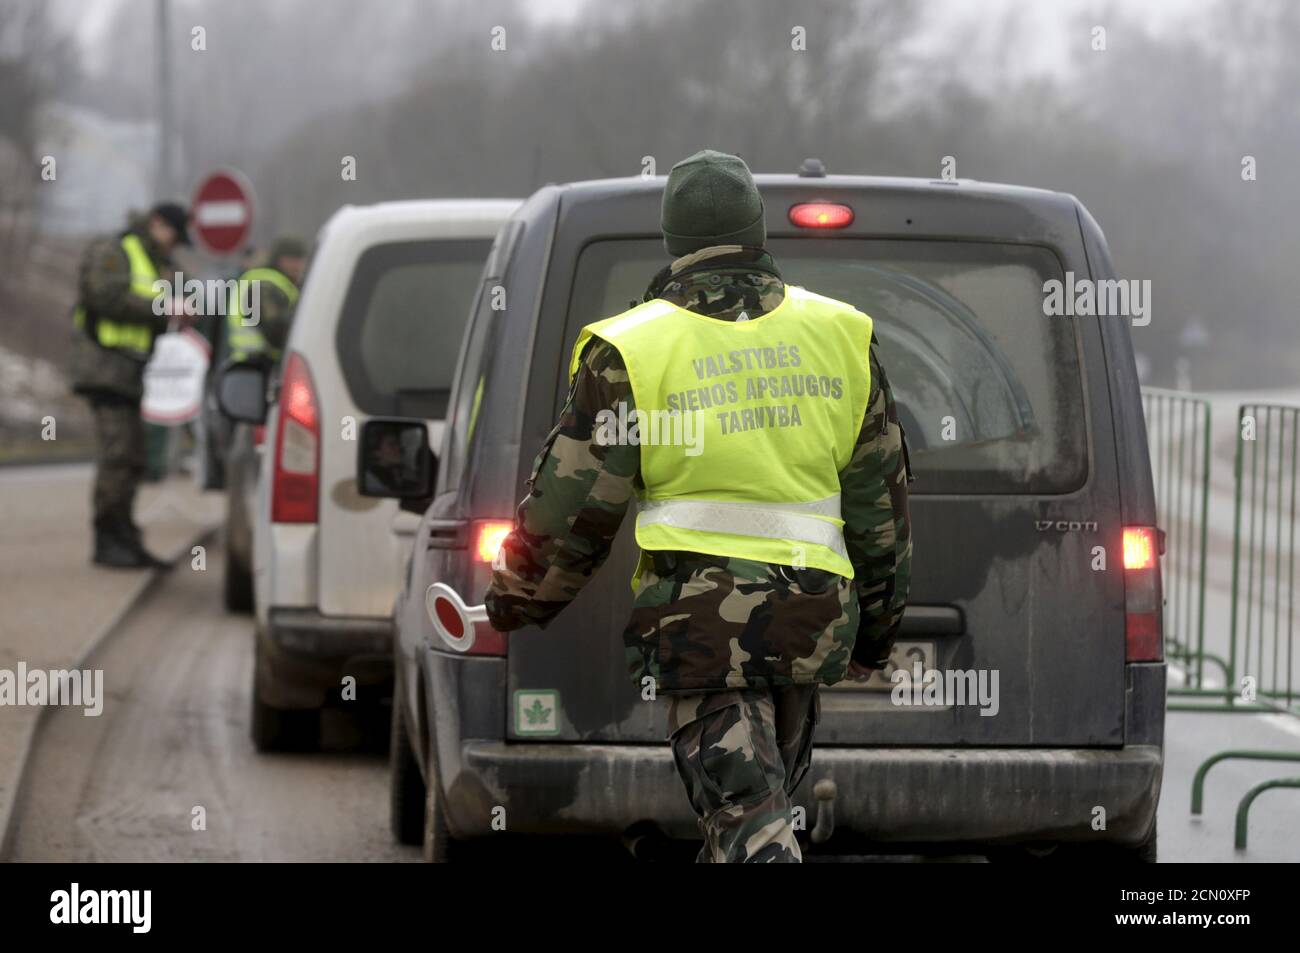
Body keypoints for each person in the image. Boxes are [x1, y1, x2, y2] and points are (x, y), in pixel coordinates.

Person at [484, 150, 912, 862]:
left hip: (704, 633)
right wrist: (875, 633)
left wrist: (512, 601)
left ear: (673, 244)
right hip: (809, 629)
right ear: (759, 233)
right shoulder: (841, 337)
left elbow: (571, 515)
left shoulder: (633, 349)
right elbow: (882, 514)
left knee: (752, 830)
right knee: (750, 821)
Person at [70, 201, 191, 569]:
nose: (174, 246)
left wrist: (173, 314)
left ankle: (124, 537)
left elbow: (142, 313)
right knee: (118, 456)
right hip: (105, 370)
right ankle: (108, 541)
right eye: (174, 236)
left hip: (127, 373)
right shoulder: (115, 249)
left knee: (132, 457)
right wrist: (163, 308)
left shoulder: (153, 262)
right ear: (157, 224)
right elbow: (105, 296)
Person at [224, 235, 306, 364]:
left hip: (255, 364)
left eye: (299, 260)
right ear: (279, 260)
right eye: (291, 260)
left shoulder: (282, 284)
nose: (297, 266)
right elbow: (275, 330)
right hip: (255, 365)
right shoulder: (265, 284)